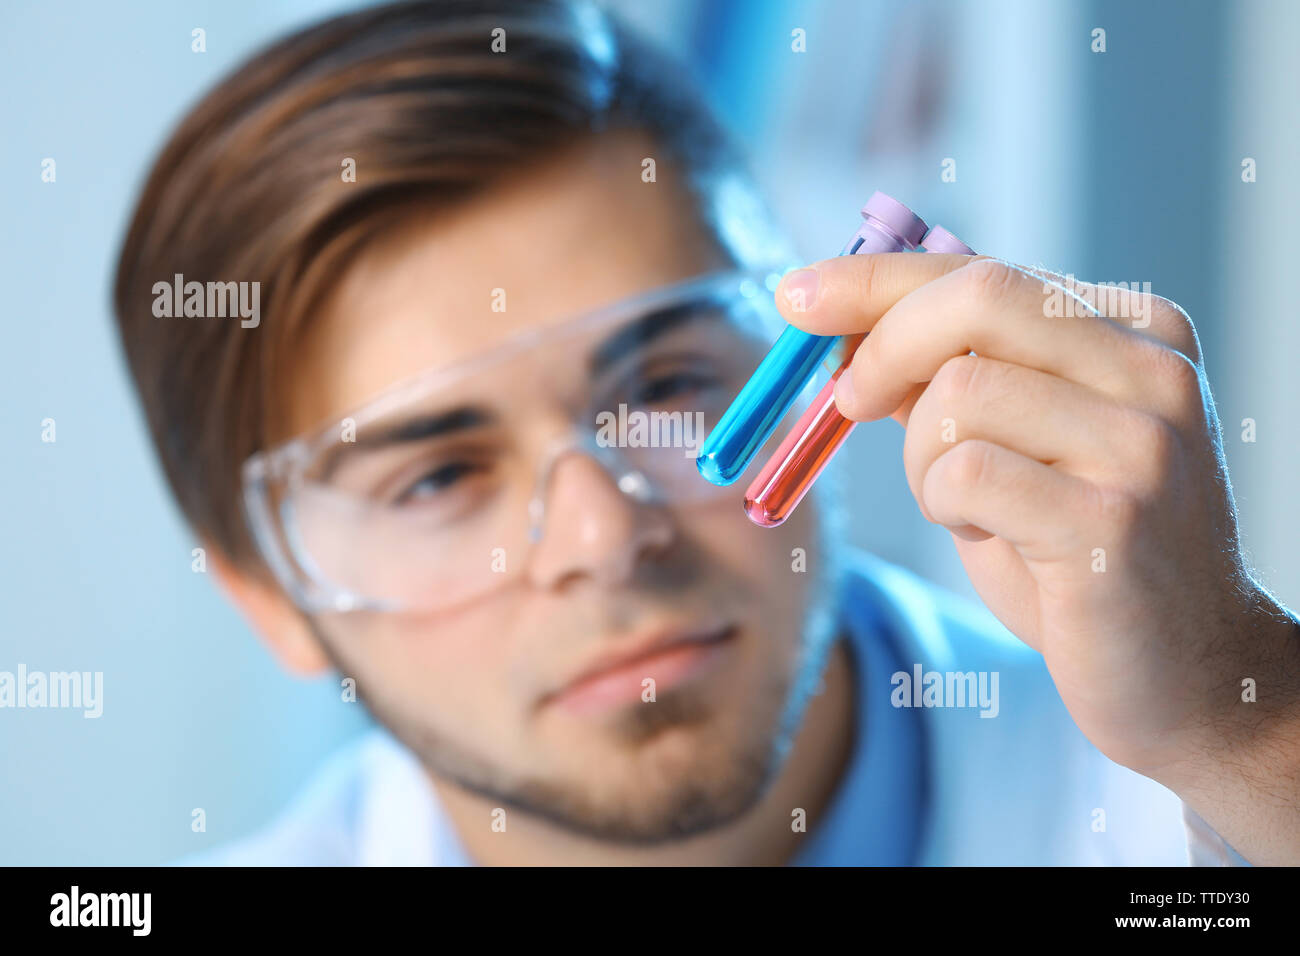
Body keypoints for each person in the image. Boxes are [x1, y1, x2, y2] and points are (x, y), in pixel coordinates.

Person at [112, 0, 1298, 866]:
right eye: (436, 476)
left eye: (670, 383)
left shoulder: (1188, 794)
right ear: (269, 595)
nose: (603, 535)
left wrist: (1243, 722)